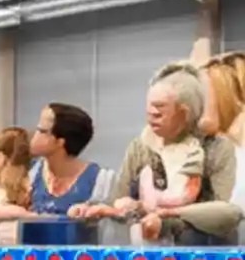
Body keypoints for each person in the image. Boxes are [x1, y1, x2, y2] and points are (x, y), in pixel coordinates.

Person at [77, 61, 240, 244]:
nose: (151, 116)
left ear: (184, 113)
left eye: (159, 111)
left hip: (202, 252)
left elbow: (225, 214)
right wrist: (94, 209)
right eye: (148, 110)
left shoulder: (216, 148)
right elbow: (119, 200)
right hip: (147, 252)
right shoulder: (140, 147)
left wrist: (166, 217)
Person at [27, 103, 104, 215]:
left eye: (42, 131)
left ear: (60, 142)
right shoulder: (30, 173)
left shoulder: (97, 180)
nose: (34, 135)